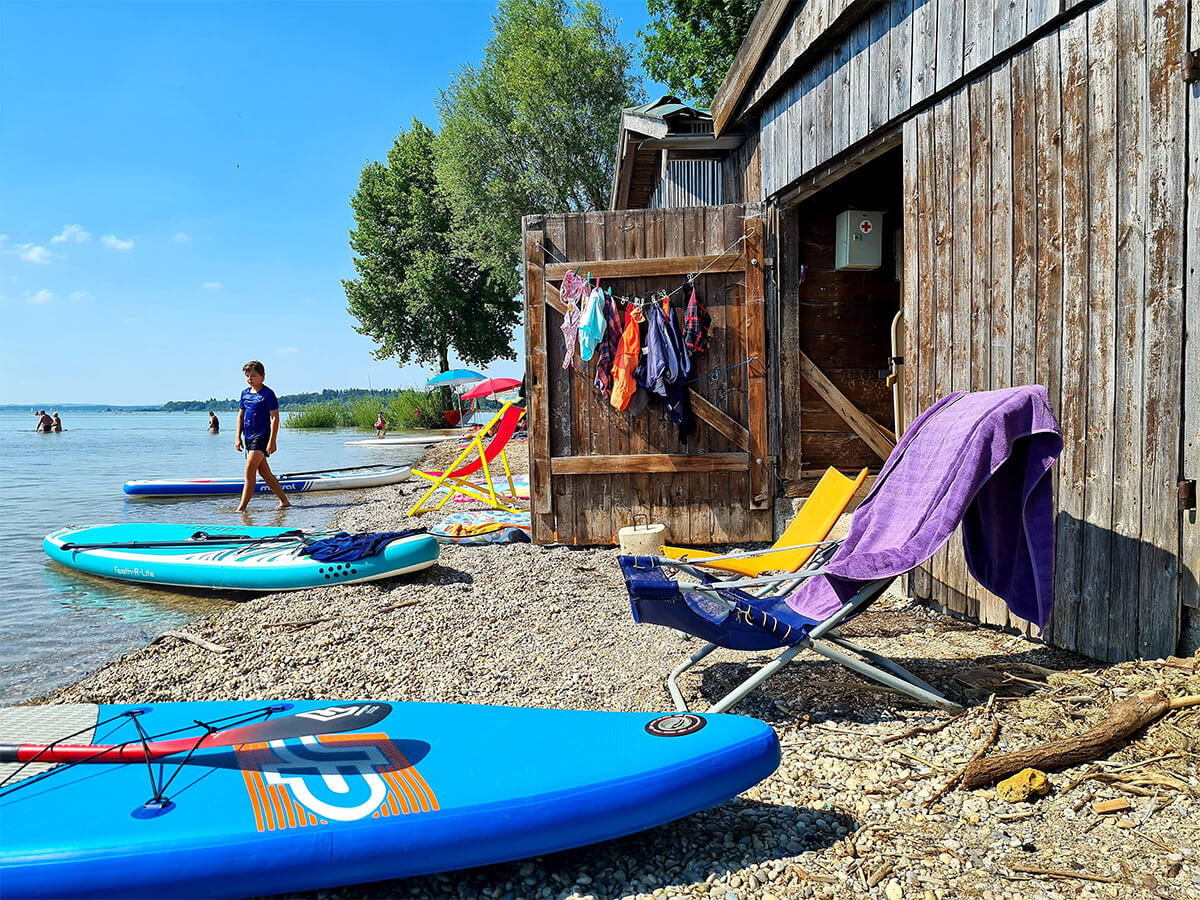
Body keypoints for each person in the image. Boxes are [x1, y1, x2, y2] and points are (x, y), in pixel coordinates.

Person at [234, 360, 290, 511]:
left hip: (262, 436)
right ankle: (284, 501)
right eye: (247, 376)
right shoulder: (244, 394)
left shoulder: (268, 394)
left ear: (262, 377)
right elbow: (240, 416)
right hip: (249, 437)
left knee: (249, 469)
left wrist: (272, 441)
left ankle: (242, 508)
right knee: (264, 472)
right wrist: (237, 437)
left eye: (253, 376)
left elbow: (275, 418)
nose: (250, 379)